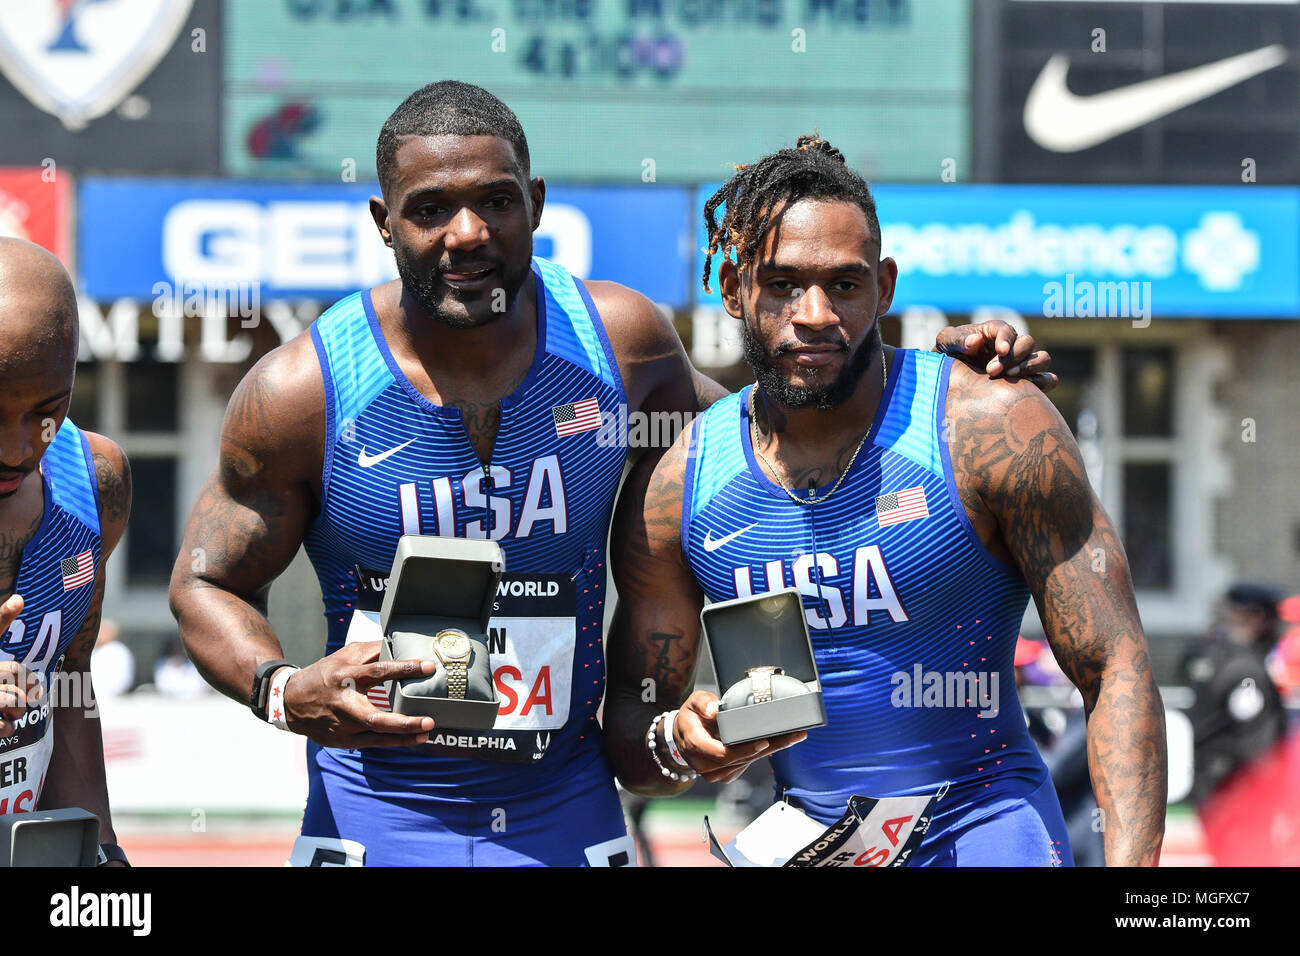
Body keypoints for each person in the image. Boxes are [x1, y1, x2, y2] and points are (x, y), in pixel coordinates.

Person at [168, 83, 1054, 867]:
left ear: (537, 205)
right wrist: (282, 689)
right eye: (431, 207)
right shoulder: (300, 392)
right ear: (382, 220)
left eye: (496, 202)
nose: (467, 233)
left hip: (567, 815)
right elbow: (204, 583)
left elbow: (773, 438)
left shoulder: (621, 347)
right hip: (376, 814)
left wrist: (930, 385)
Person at [604, 136, 1167, 866]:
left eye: (845, 284)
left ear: (885, 286)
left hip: (988, 830)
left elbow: (1115, 664)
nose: (814, 314)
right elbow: (632, 736)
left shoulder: (990, 423)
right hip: (805, 842)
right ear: (733, 288)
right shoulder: (676, 486)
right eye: (781, 284)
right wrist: (680, 743)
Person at [0, 238, 132, 865]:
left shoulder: (95, 480)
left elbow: (71, 681)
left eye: (45, 411)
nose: (16, 447)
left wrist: (102, 854)